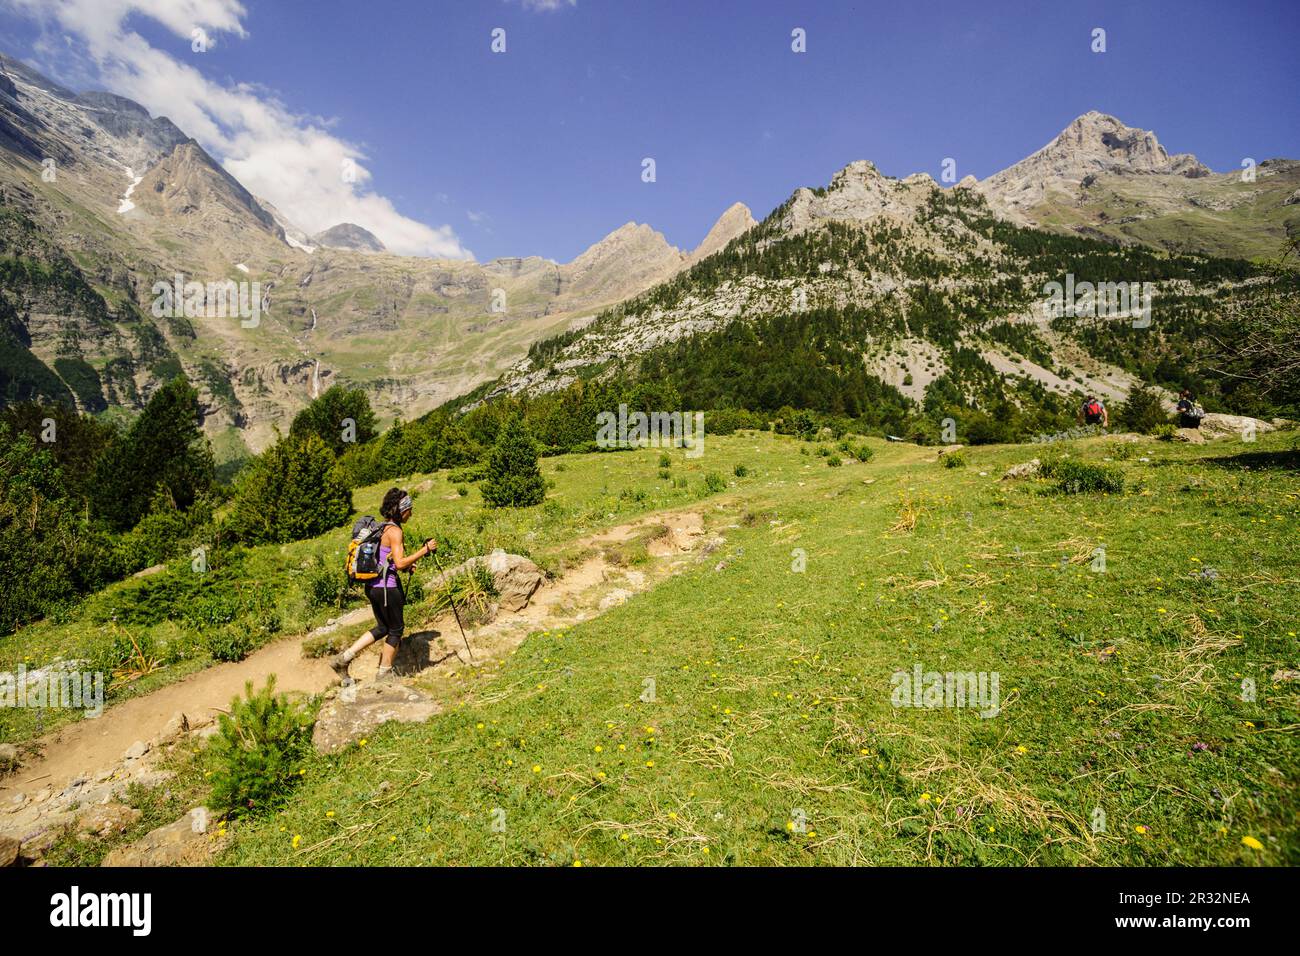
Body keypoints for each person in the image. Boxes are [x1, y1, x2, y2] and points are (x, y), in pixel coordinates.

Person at [331, 488, 436, 683]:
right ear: (400, 510)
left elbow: (386, 560)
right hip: (387, 588)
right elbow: (399, 562)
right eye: (409, 509)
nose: (411, 513)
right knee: (396, 629)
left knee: (382, 628)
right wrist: (425, 550)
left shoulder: (381, 528)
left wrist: (404, 565)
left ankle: (343, 659)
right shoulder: (395, 531)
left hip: (372, 587)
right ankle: (384, 674)